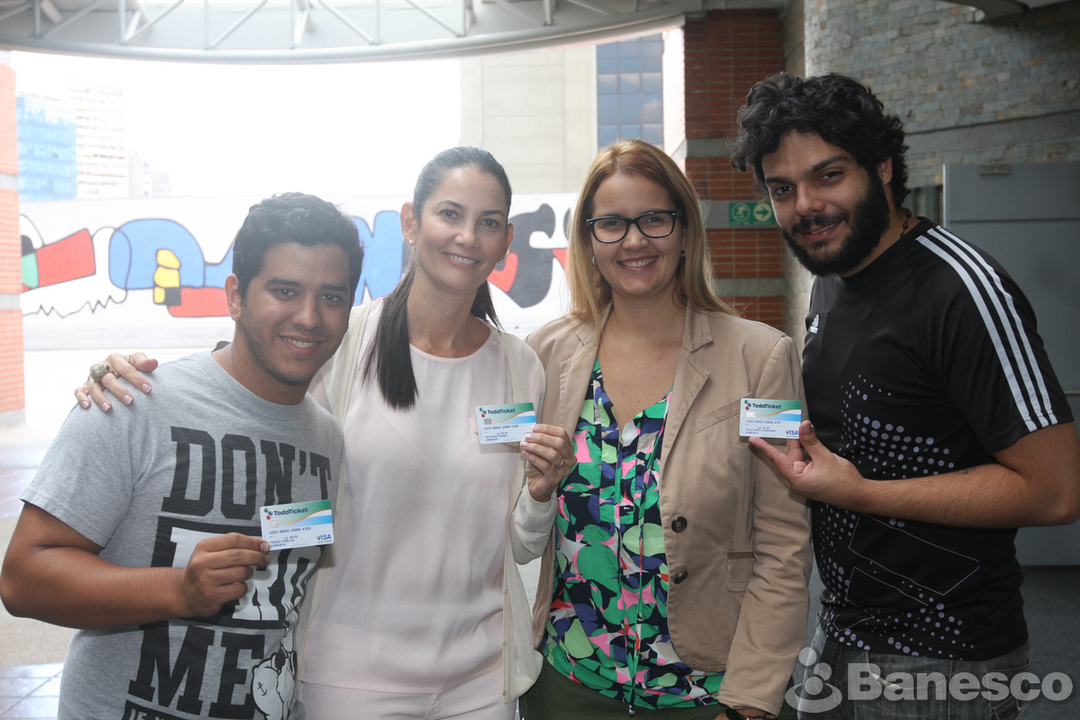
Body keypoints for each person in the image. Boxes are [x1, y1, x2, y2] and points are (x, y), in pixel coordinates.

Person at [73, 147, 577, 719]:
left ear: (506, 239)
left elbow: (521, 544)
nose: (467, 236)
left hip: (481, 679)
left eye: (488, 223)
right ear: (411, 223)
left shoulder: (519, 366)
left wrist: (539, 493)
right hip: (351, 677)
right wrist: (127, 380)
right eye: (450, 214)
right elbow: (258, 429)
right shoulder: (339, 340)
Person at [729, 73, 1080, 719]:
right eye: (783, 189)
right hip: (841, 637)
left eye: (828, 176)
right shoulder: (833, 279)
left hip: (943, 660)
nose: (806, 204)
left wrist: (862, 493)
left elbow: (1057, 490)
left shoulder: (960, 291)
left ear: (883, 167)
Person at [0, 192, 364, 720]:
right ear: (236, 296)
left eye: (332, 297)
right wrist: (178, 589)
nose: (309, 316)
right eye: (284, 291)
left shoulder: (326, 439)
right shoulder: (133, 401)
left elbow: (286, 593)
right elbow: (22, 578)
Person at [518, 139, 813, 720]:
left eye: (654, 218)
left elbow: (784, 546)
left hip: (707, 692)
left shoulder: (762, 357)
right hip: (570, 680)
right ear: (588, 239)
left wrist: (753, 699)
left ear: (683, 231)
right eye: (611, 224)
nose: (633, 240)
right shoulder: (545, 355)